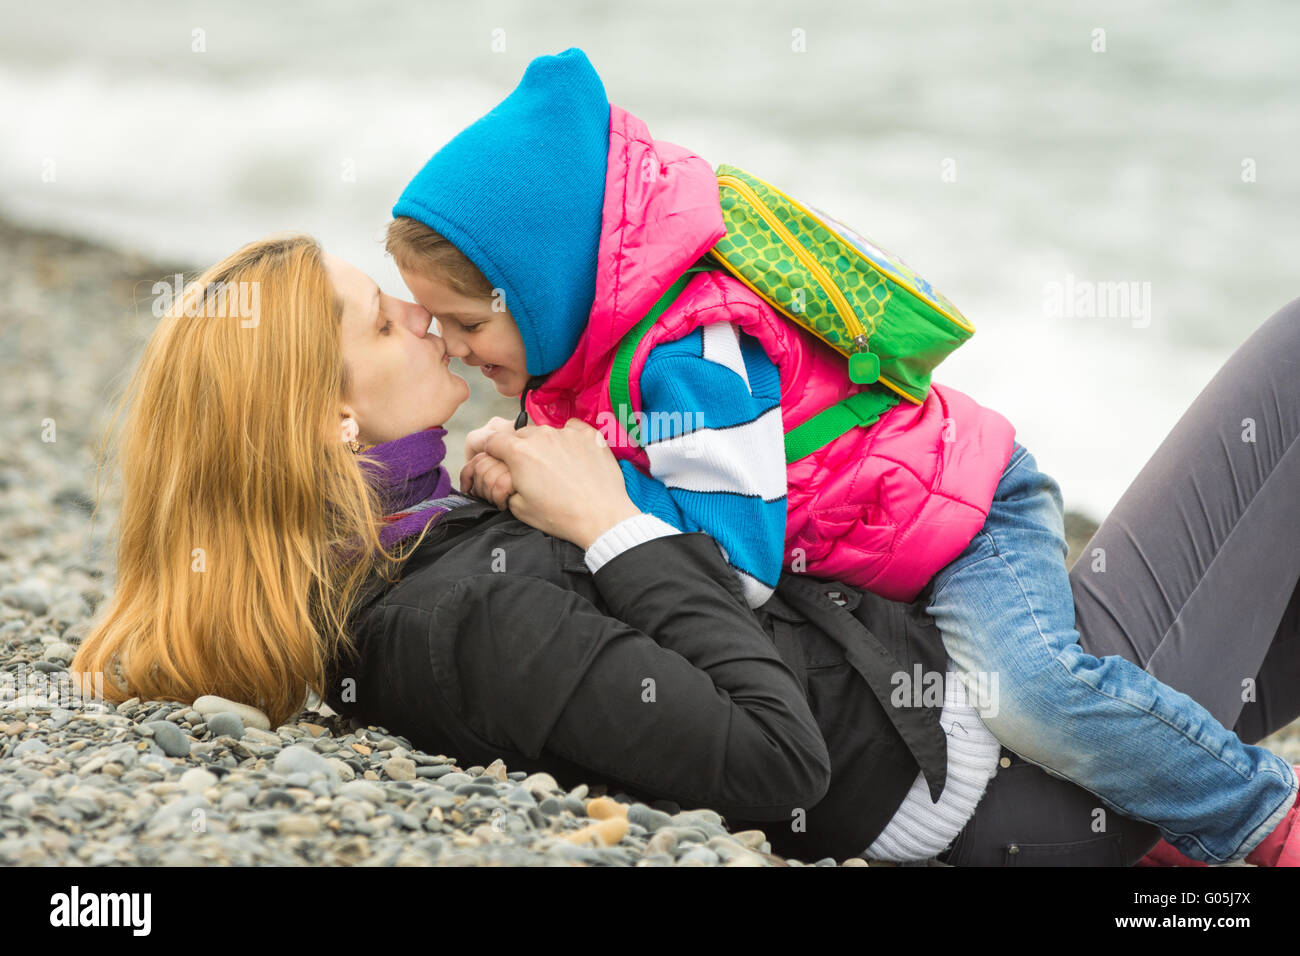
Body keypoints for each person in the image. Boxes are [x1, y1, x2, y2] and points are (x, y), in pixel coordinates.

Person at [71, 234, 1300, 864]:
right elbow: (776, 756)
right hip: (1026, 776)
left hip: (981, 718)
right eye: (372, 317)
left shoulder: (421, 555)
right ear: (324, 423)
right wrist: (613, 526)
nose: (412, 309)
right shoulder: (447, 617)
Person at [383, 46, 1298, 864]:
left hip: (969, 520)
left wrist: (592, 500)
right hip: (885, 546)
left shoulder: (690, 356)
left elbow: (735, 567)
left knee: (1031, 691)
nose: (455, 347)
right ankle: (1168, 811)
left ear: (546, 284)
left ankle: (1263, 818)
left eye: (468, 323)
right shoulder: (587, 355)